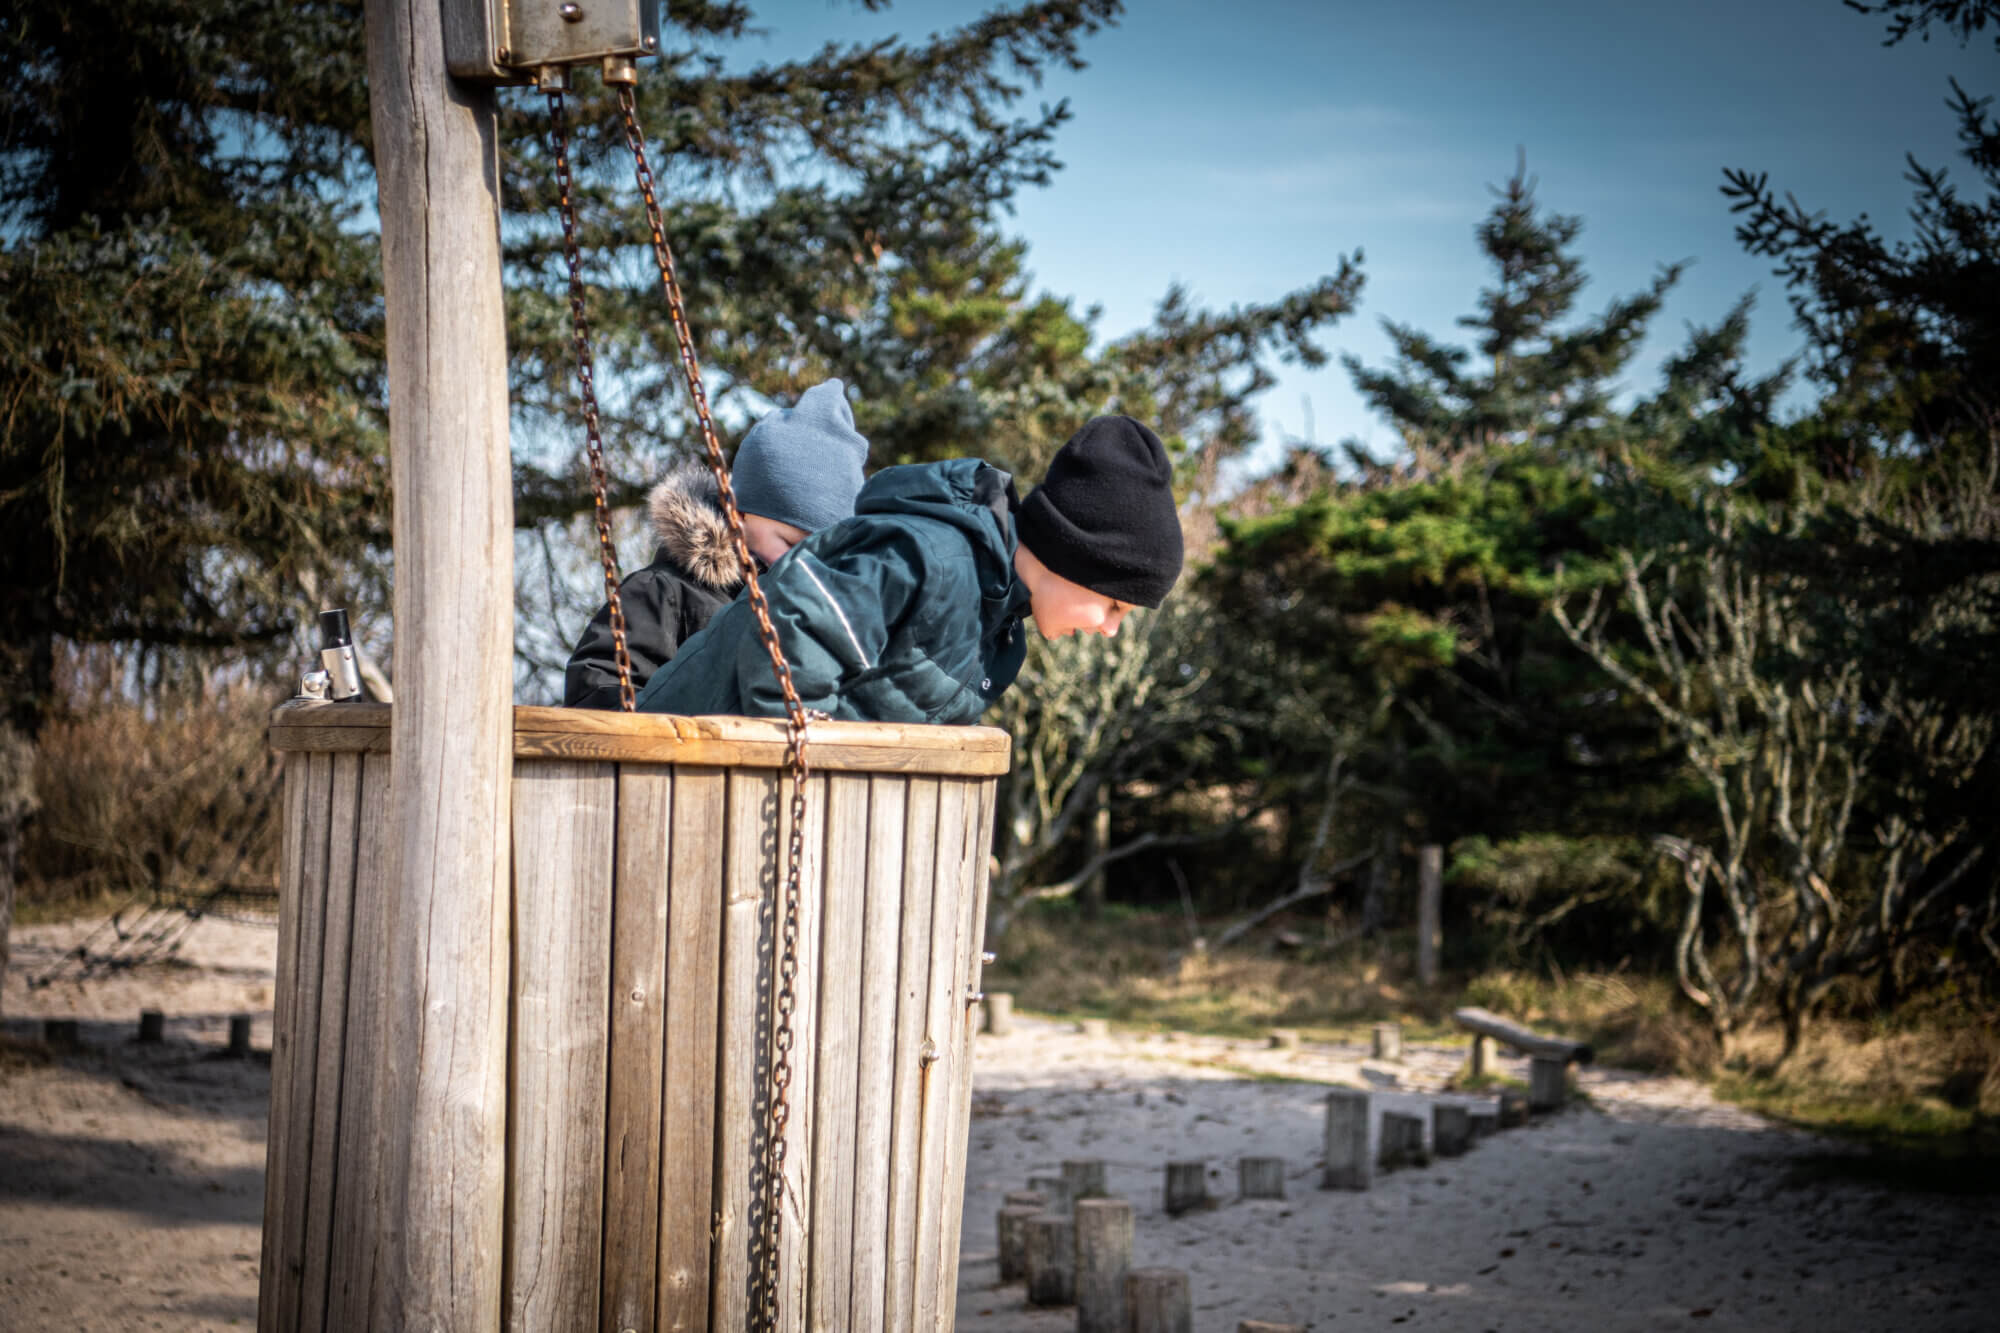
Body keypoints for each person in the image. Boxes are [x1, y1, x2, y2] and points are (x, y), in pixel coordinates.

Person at [632, 414, 1183, 725]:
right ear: (1075, 557)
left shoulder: (1001, 639)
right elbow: (794, 621)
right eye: (1114, 605)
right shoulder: (930, 555)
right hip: (685, 762)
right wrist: (812, 755)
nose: (1111, 628)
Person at [562, 379, 869, 709]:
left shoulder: (826, 620)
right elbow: (596, 693)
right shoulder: (665, 594)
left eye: (820, 554)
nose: (800, 564)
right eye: (790, 543)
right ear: (741, 515)